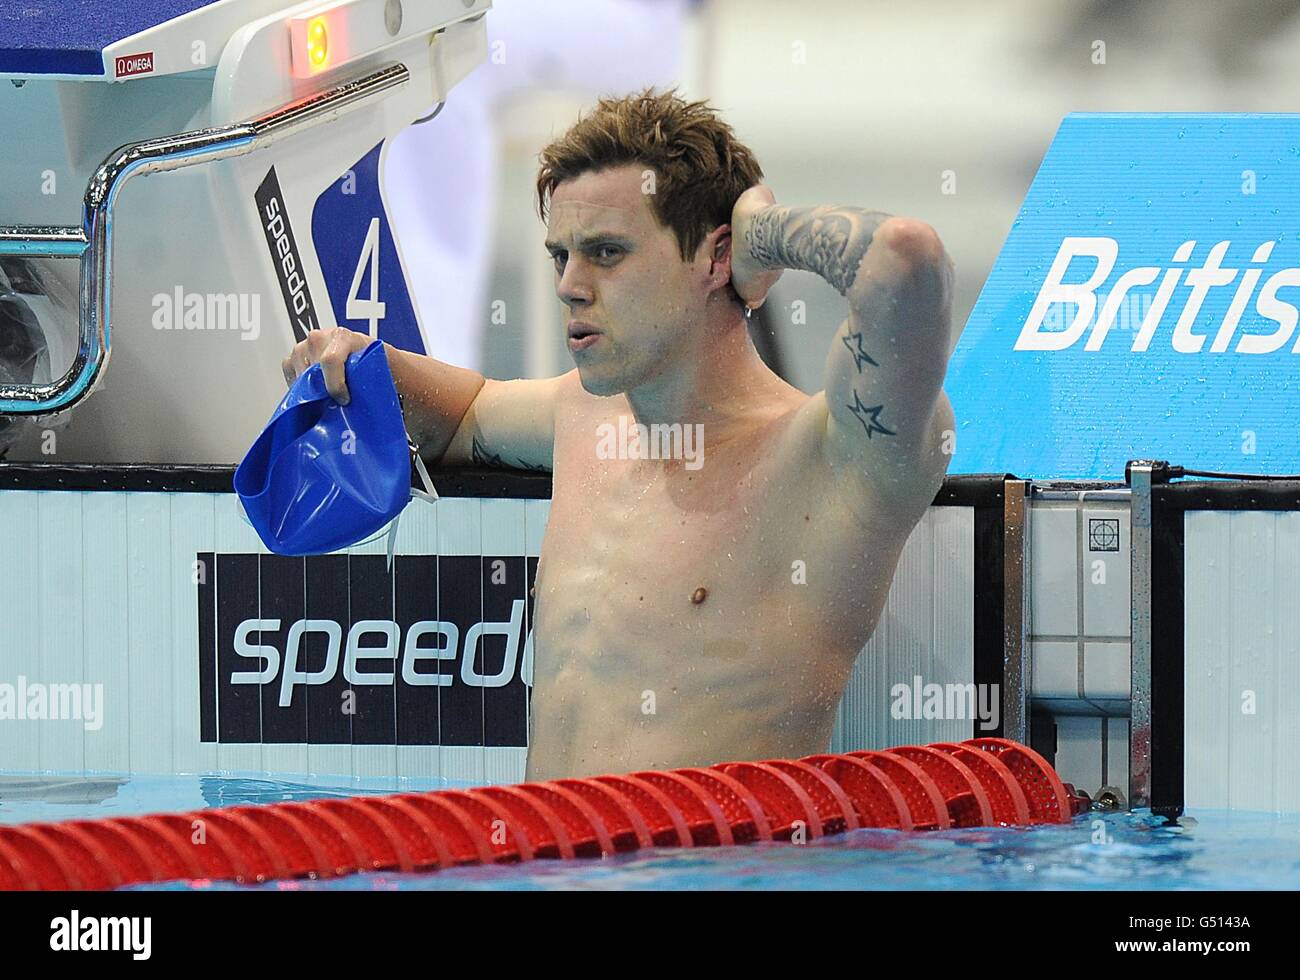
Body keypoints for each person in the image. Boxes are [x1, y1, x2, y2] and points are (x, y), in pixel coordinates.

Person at [283, 88, 956, 780]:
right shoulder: (581, 418)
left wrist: (766, 232)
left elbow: (905, 259)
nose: (569, 285)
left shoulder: (833, 457)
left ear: (719, 258)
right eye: (561, 256)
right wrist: (356, 360)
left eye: (606, 253)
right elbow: (464, 411)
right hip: (542, 864)